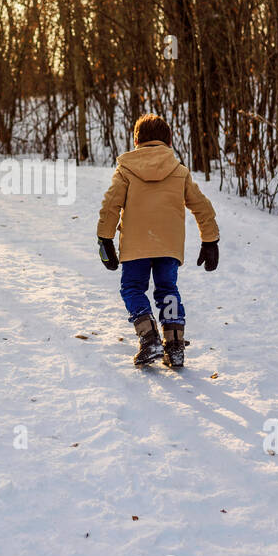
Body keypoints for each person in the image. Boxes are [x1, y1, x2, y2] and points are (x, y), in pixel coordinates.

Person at [96, 114, 219, 368]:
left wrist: (104, 239)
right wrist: (210, 240)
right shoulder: (179, 171)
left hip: (135, 245)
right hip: (168, 245)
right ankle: (174, 345)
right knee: (167, 290)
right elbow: (202, 208)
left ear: (136, 139)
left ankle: (148, 336)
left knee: (132, 288)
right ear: (169, 141)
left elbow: (111, 205)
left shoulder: (126, 169)